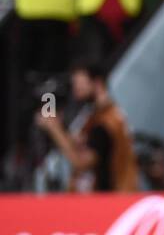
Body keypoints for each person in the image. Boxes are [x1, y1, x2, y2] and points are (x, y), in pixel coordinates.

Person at [34, 59, 140, 193]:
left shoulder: (105, 123)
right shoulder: (105, 116)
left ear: (97, 83)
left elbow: (81, 162)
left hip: (111, 201)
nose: (75, 90)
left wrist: (54, 128)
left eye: (79, 84)